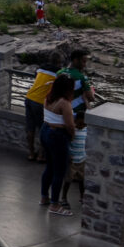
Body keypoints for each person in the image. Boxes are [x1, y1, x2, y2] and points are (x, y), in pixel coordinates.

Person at [40, 74, 76, 215]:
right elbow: (70, 125)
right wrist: (72, 137)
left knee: (49, 167)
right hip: (57, 135)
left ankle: (44, 197)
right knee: (59, 171)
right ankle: (54, 205)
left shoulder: (48, 97)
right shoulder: (64, 103)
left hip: (45, 130)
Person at [23, 52, 63, 162]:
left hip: (29, 97)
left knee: (30, 128)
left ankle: (31, 153)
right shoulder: (58, 73)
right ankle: (41, 155)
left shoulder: (40, 68)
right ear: (59, 62)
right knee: (43, 129)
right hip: (41, 102)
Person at [58, 48, 96, 123]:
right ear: (75, 60)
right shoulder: (81, 77)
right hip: (76, 115)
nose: (85, 65)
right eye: (83, 62)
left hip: (60, 111)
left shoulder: (59, 73)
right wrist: (92, 92)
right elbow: (91, 98)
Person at [61, 115, 87, 205]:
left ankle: (82, 196)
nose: (82, 126)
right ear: (75, 121)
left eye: (84, 124)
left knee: (82, 180)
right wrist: (68, 156)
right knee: (68, 180)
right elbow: (67, 144)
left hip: (82, 159)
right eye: (80, 124)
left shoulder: (85, 130)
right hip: (72, 160)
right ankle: (64, 197)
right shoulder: (72, 131)